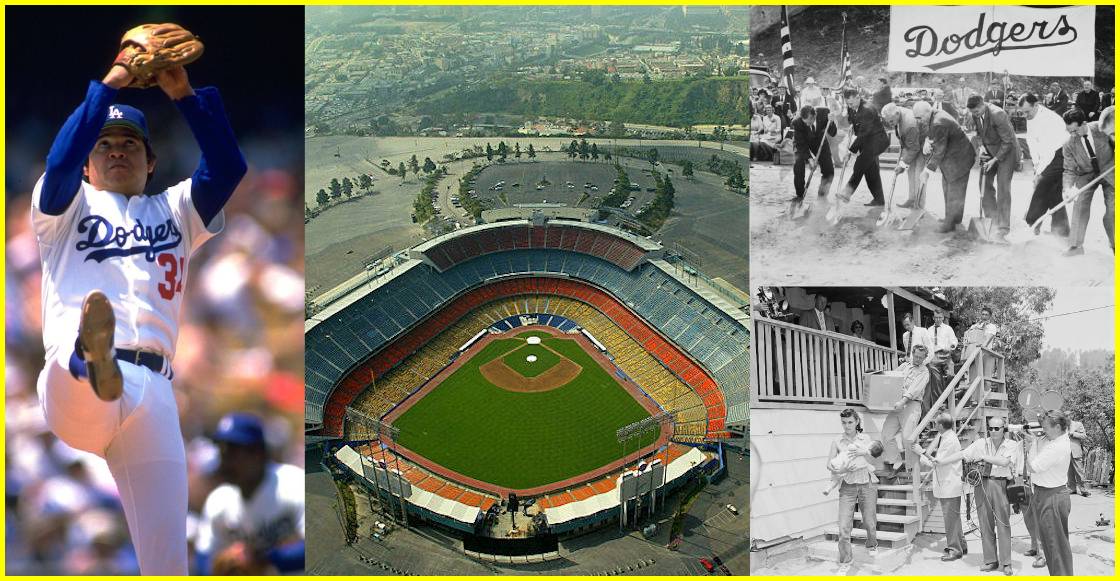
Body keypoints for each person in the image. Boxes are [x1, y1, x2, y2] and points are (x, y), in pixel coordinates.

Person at [30, 58, 246, 574]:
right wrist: (108, 87)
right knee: (75, 364)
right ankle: (92, 359)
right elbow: (58, 167)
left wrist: (185, 94)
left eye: (130, 144)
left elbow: (227, 166)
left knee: (167, 563)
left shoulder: (176, 210)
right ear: (87, 163)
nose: (117, 150)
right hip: (73, 381)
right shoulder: (65, 208)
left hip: (153, 396)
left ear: (152, 162)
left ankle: (97, 361)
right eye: (104, 143)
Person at [196, 413, 305, 575]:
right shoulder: (219, 500)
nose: (225, 460)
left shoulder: (292, 483)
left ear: (258, 453)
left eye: (232, 451)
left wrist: (266, 559)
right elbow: (204, 556)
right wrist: (220, 565)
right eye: (221, 450)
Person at [942, 417, 1019, 575]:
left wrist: (983, 457)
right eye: (991, 428)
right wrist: (942, 461)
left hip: (1001, 484)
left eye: (997, 428)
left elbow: (1004, 462)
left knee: (1003, 524)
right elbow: (963, 454)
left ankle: (1006, 563)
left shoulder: (1011, 445)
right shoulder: (980, 443)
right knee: (985, 524)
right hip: (981, 485)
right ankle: (990, 560)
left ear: (1004, 428)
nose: (993, 431)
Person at [1021, 410, 1074, 576]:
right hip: (1048, 494)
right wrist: (1036, 442)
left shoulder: (1056, 446)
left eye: (1046, 428)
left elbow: (1032, 467)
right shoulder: (1057, 440)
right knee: (1053, 546)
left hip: (1051, 497)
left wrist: (1030, 448)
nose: (1044, 432)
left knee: (1055, 547)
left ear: (1057, 427)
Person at [829, 409, 879, 573]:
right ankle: (845, 560)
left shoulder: (865, 439)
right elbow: (829, 464)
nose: (847, 426)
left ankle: (872, 544)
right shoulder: (837, 441)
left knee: (869, 521)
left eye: (850, 422)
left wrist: (863, 453)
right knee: (843, 525)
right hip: (848, 485)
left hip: (867, 483)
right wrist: (842, 468)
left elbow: (873, 457)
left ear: (857, 422)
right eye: (844, 423)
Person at [915, 100, 976, 233]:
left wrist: (927, 171)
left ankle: (949, 224)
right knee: (949, 188)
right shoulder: (934, 115)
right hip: (956, 156)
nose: (919, 121)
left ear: (927, 112)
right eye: (916, 118)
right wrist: (927, 140)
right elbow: (934, 137)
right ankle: (954, 218)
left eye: (919, 117)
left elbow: (939, 151)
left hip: (960, 159)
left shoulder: (938, 122)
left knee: (953, 190)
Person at [1061, 107, 1115, 256]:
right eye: (1069, 131)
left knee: (1113, 211)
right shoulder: (1069, 144)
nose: (1072, 135)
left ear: (1084, 123)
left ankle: (1115, 243)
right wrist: (1067, 189)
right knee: (1079, 205)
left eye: (1075, 131)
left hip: (1110, 170)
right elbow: (1069, 170)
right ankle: (1076, 246)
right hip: (1086, 174)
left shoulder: (1103, 128)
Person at [968, 94, 1021, 244]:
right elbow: (979, 134)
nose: (975, 114)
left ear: (983, 105)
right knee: (983, 184)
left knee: (1003, 187)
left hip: (1007, 152)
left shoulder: (998, 114)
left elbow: (1008, 141)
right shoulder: (974, 114)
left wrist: (995, 160)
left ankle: (1003, 228)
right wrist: (981, 147)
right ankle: (992, 220)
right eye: (973, 112)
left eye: (977, 112)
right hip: (990, 150)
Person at [912, 413, 965, 561]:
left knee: (950, 519)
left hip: (949, 484)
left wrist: (921, 452)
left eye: (936, 424)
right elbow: (937, 463)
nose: (935, 426)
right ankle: (961, 545)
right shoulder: (947, 437)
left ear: (940, 425)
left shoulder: (949, 440)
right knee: (954, 517)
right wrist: (923, 457)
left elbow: (937, 462)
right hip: (948, 483)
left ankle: (955, 549)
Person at [1019, 93, 1072, 237]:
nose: (1025, 115)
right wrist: (1036, 166)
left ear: (1036, 105)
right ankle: (1062, 229)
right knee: (1054, 192)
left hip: (1060, 154)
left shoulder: (1050, 119)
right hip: (1046, 155)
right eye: (1022, 112)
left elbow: (1049, 150)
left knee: (1042, 185)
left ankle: (1031, 223)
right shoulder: (1032, 116)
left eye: (1027, 111)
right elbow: (1032, 142)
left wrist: (1039, 173)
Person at [880, 344, 930, 475]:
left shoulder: (924, 372)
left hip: (911, 404)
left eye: (921, 357)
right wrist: (878, 373)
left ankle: (912, 469)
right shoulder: (904, 366)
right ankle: (896, 462)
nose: (917, 359)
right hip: (897, 404)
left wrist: (902, 401)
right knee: (886, 434)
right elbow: (892, 377)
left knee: (908, 438)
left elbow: (914, 390)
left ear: (925, 358)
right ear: (912, 354)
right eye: (916, 356)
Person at [837, 88, 890, 206]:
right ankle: (879, 199)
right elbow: (851, 120)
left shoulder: (867, 110)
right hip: (866, 140)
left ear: (858, 97)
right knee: (871, 172)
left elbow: (863, 134)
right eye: (848, 104)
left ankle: (846, 193)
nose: (849, 106)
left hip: (877, 141)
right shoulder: (852, 107)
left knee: (859, 166)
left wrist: (850, 152)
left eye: (851, 103)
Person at [881, 103, 926, 209]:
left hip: (923, 146)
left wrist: (902, 165)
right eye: (888, 121)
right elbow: (908, 143)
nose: (890, 124)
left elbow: (914, 149)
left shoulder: (909, 123)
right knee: (911, 172)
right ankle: (912, 200)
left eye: (891, 121)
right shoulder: (897, 112)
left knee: (919, 176)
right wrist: (904, 162)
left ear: (897, 114)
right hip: (913, 144)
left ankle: (919, 206)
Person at [791, 105, 835, 201]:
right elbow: (801, 145)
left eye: (809, 122)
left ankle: (822, 196)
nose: (807, 124)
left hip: (820, 141)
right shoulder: (797, 122)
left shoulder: (824, 113)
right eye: (805, 122)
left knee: (829, 170)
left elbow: (833, 133)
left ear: (814, 116)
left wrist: (831, 122)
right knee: (798, 164)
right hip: (802, 142)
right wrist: (810, 159)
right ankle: (800, 195)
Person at [927, 309, 959, 377]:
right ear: (933, 318)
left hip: (946, 355)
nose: (938, 319)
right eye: (936, 317)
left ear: (943, 318)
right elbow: (927, 344)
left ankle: (950, 386)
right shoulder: (929, 330)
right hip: (934, 356)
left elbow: (954, 340)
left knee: (950, 374)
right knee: (934, 375)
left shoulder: (948, 328)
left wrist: (952, 346)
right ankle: (939, 387)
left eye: (940, 317)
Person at [1066, 417, 1090, 497]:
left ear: (1070, 417)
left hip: (1076, 451)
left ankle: (1083, 490)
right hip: (1066, 451)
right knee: (1069, 472)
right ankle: (1071, 489)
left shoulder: (1078, 424)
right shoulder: (1063, 426)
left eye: (1067, 417)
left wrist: (1073, 434)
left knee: (1079, 471)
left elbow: (1084, 436)